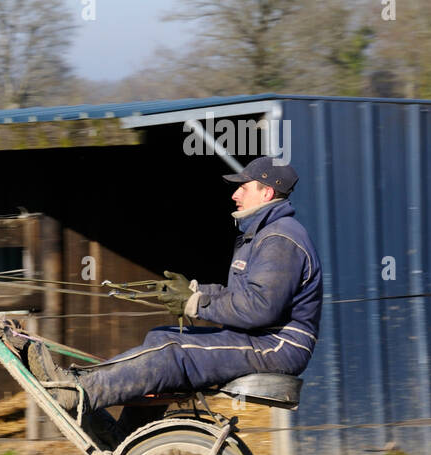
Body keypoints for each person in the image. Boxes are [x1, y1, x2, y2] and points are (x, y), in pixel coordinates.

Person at [27, 155, 323, 416]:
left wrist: (196, 304)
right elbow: (240, 296)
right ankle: (133, 436)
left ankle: (77, 390)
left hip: (278, 346)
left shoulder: (279, 239)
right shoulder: (259, 234)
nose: (235, 194)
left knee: (171, 351)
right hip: (261, 339)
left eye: (243, 187)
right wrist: (194, 291)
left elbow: (260, 308)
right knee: (160, 337)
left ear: (267, 191)